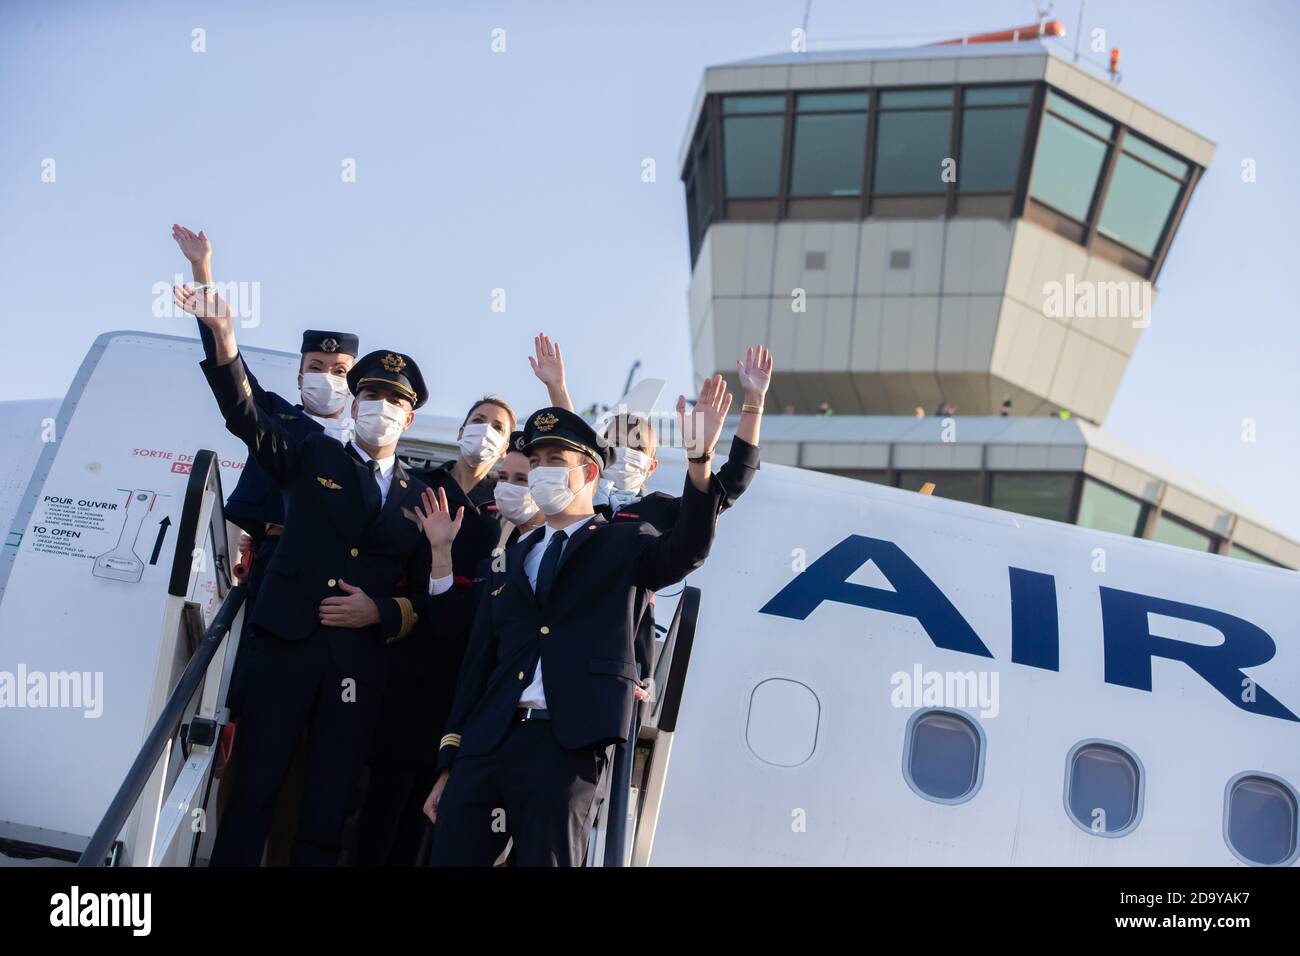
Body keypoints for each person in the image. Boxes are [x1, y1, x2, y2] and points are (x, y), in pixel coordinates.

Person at [174, 282, 449, 866]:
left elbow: (436, 598)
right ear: (354, 405)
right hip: (284, 649)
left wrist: (382, 611)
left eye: (393, 400)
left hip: (357, 670)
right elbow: (243, 412)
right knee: (253, 796)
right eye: (370, 395)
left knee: (326, 813)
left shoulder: (424, 496)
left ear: (411, 414)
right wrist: (222, 336)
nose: (380, 408)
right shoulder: (310, 452)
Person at [421, 374, 736, 866]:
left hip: (563, 749)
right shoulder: (508, 559)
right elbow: (477, 670)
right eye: (537, 460)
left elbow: (690, 548)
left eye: (555, 462)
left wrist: (700, 463)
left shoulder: (627, 544)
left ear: (589, 474)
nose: (543, 471)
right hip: (485, 749)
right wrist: (449, 763)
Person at [353, 396, 516, 865]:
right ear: (460, 428)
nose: (483, 431)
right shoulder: (418, 485)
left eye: (497, 427)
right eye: (477, 421)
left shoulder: (504, 512)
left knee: (427, 817)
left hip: (462, 675)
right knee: (380, 799)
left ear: (507, 446)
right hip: (402, 660)